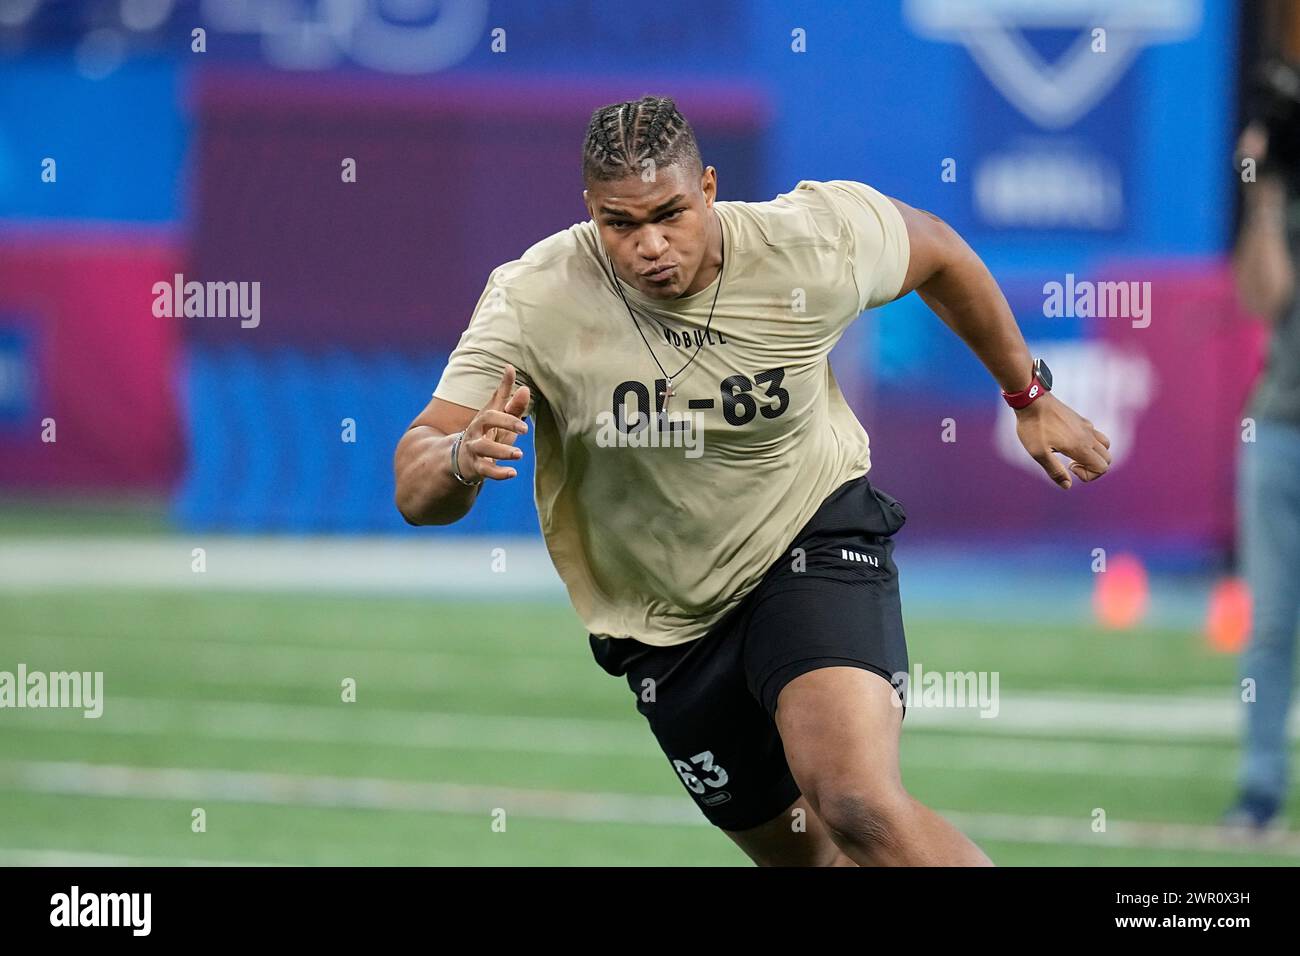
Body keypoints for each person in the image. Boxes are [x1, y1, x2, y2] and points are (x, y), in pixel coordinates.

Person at [393, 95, 1111, 866]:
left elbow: (938, 251)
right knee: (806, 856)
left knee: (853, 800)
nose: (651, 246)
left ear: (707, 187)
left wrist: (1027, 395)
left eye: (670, 213)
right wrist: (460, 459)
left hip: (808, 539)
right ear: (589, 212)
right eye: (621, 224)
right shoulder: (536, 295)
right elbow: (416, 480)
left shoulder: (806, 243)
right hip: (663, 625)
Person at [1225, 115, 1300, 835]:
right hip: (1281, 425)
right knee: (1272, 621)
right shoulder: (1286, 194)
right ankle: (1259, 786)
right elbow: (1262, 297)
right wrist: (1266, 191)